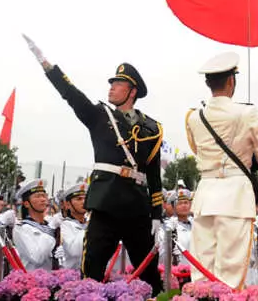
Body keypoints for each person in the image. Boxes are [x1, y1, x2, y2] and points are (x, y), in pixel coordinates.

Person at [23, 35, 163, 294]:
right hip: (105, 203)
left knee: (149, 272)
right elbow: (71, 95)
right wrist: (48, 66)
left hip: (137, 208)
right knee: (92, 269)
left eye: (118, 84)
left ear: (132, 92)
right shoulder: (99, 115)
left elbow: (154, 176)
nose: (111, 87)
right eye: (112, 82)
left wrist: (156, 216)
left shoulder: (152, 128)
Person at [185, 52, 258, 289]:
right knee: (229, 273)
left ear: (209, 83)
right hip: (235, 196)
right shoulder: (247, 113)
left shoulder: (194, 117)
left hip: (205, 194)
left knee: (201, 270)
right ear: (231, 82)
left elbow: (198, 150)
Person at [13, 179, 64, 271]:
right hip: (31, 282)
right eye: (37, 196)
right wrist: (51, 228)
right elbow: (37, 258)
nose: (43, 199)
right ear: (26, 203)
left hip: (52, 281)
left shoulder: (49, 224)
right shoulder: (21, 228)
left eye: (44, 196)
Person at [60, 183, 88, 270]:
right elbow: (75, 251)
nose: (83, 202)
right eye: (79, 199)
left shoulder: (89, 223)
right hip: (71, 276)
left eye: (85, 198)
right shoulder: (64, 225)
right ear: (68, 205)